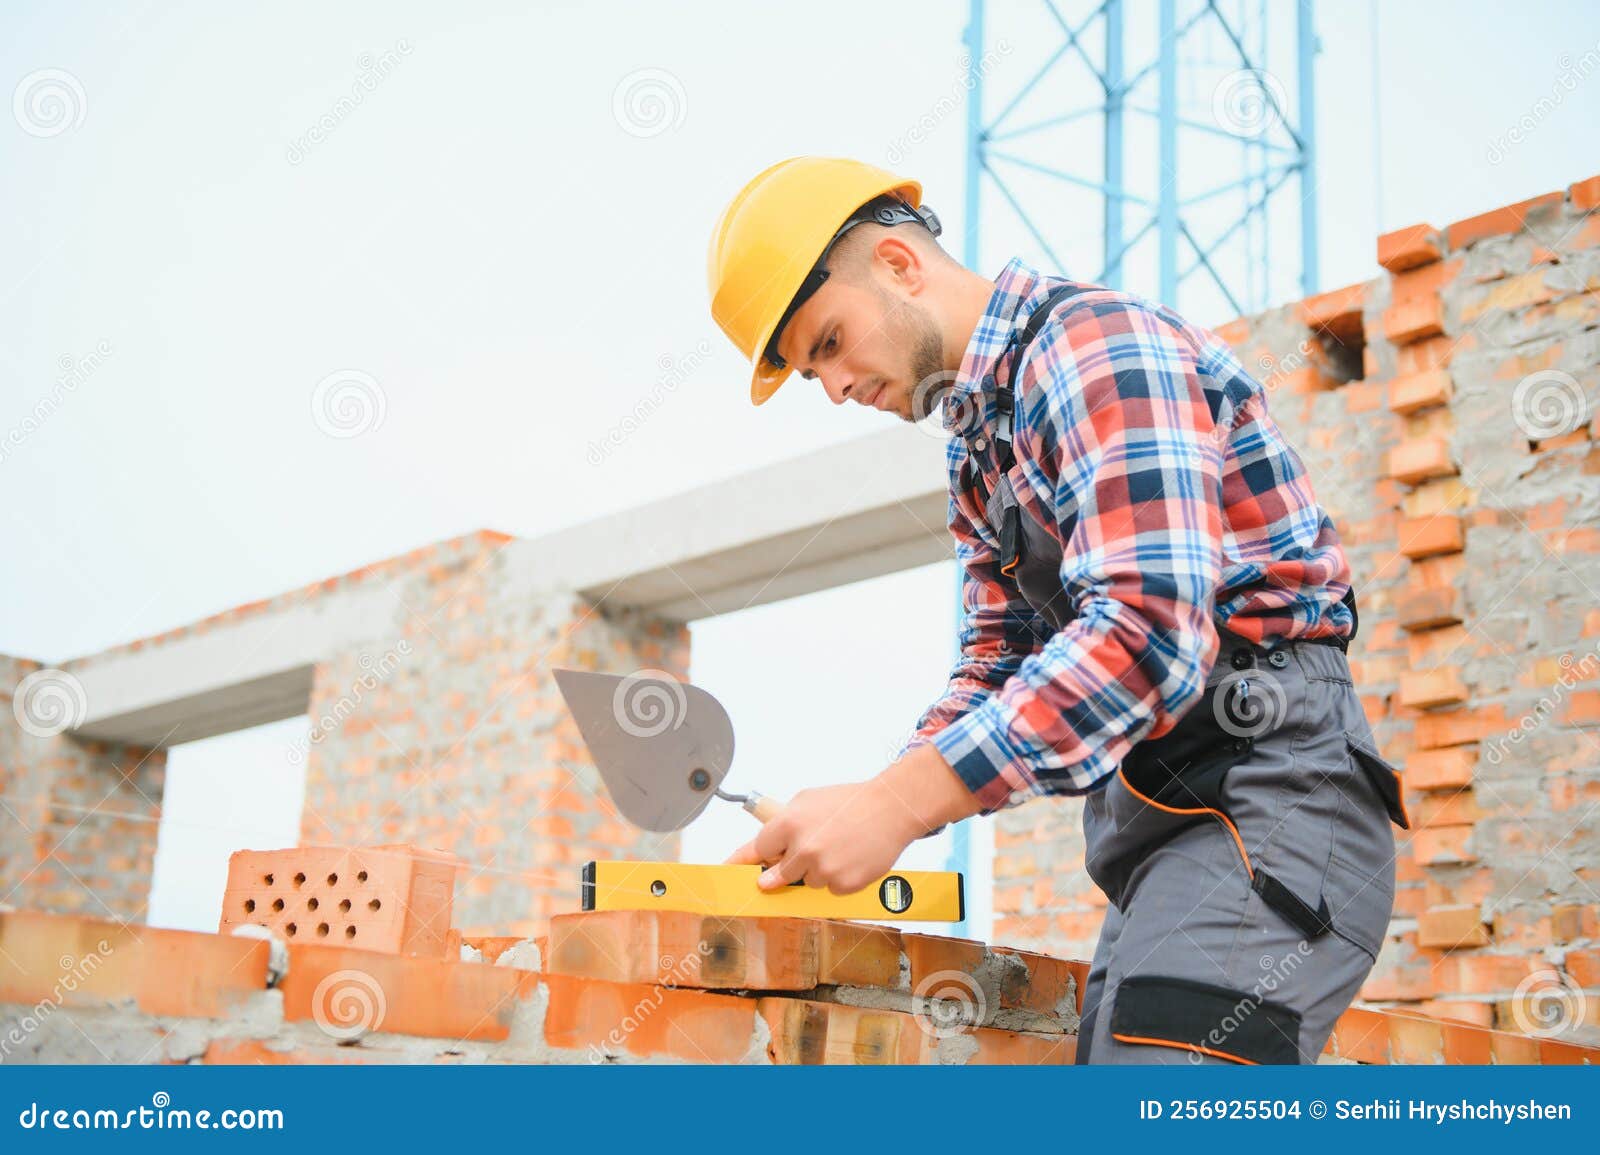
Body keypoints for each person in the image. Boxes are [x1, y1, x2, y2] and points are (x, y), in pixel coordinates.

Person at [707, 157, 1410, 1064]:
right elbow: (993, 669)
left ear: (898, 262)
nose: (836, 386)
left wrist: (900, 804)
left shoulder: (1096, 347)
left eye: (831, 342)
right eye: (813, 374)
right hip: (1160, 822)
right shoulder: (976, 454)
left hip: (1270, 788)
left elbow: (1149, 633)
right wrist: (861, 806)